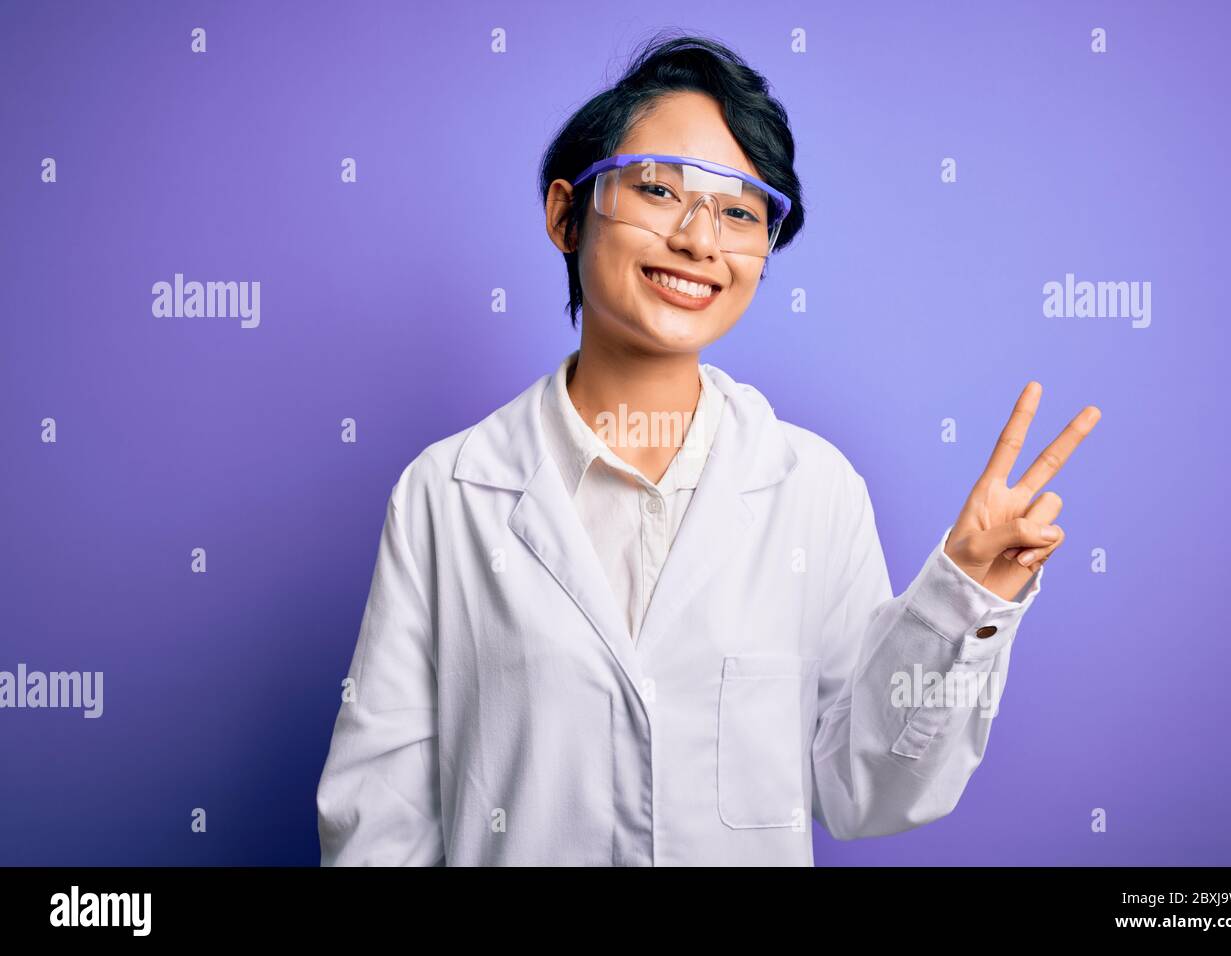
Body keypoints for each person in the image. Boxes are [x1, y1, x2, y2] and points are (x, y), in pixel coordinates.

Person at [315, 32, 1100, 866]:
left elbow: (863, 789)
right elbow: (379, 820)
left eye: (739, 212)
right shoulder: (447, 494)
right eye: (658, 190)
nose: (699, 239)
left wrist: (963, 600)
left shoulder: (813, 489)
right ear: (563, 215)